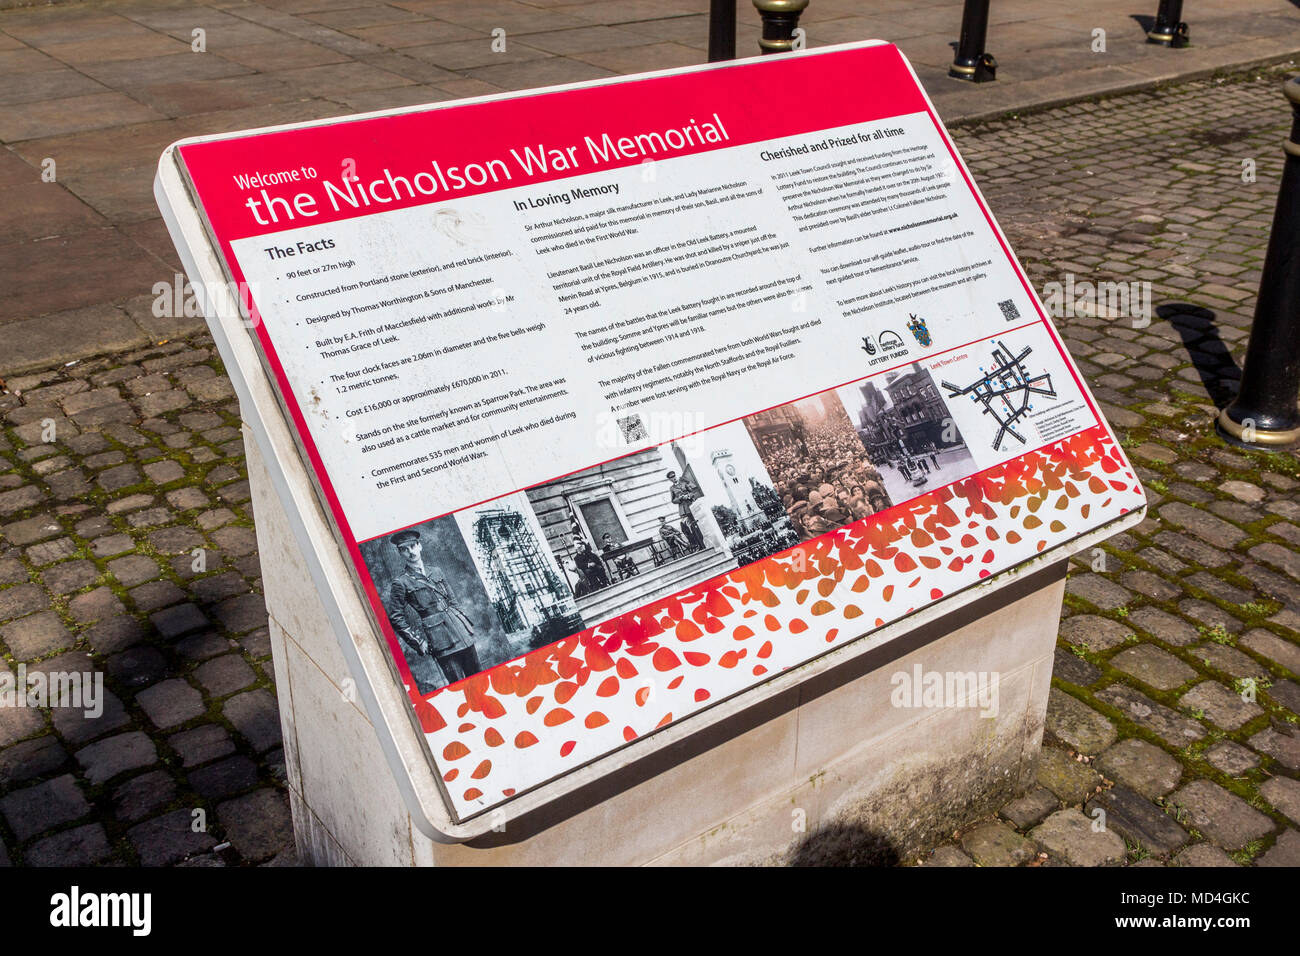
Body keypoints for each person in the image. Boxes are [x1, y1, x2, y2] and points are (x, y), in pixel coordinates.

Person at [385, 528, 479, 692]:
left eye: (412, 546)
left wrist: (462, 621)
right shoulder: (401, 583)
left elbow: (453, 600)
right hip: (440, 640)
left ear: (419, 546)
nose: (410, 552)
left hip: (461, 631)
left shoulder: (436, 571)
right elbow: (395, 617)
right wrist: (418, 641)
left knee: (479, 678)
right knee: (459, 687)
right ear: (400, 554)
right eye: (404, 550)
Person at [666, 469, 704, 548]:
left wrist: (688, 495)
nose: (674, 478)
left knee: (697, 525)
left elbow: (692, 492)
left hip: (691, 506)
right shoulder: (672, 488)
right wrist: (680, 498)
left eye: (674, 476)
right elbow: (673, 500)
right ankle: (697, 545)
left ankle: (702, 543)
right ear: (670, 480)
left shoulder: (683, 483)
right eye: (671, 478)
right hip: (684, 510)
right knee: (690, 528)